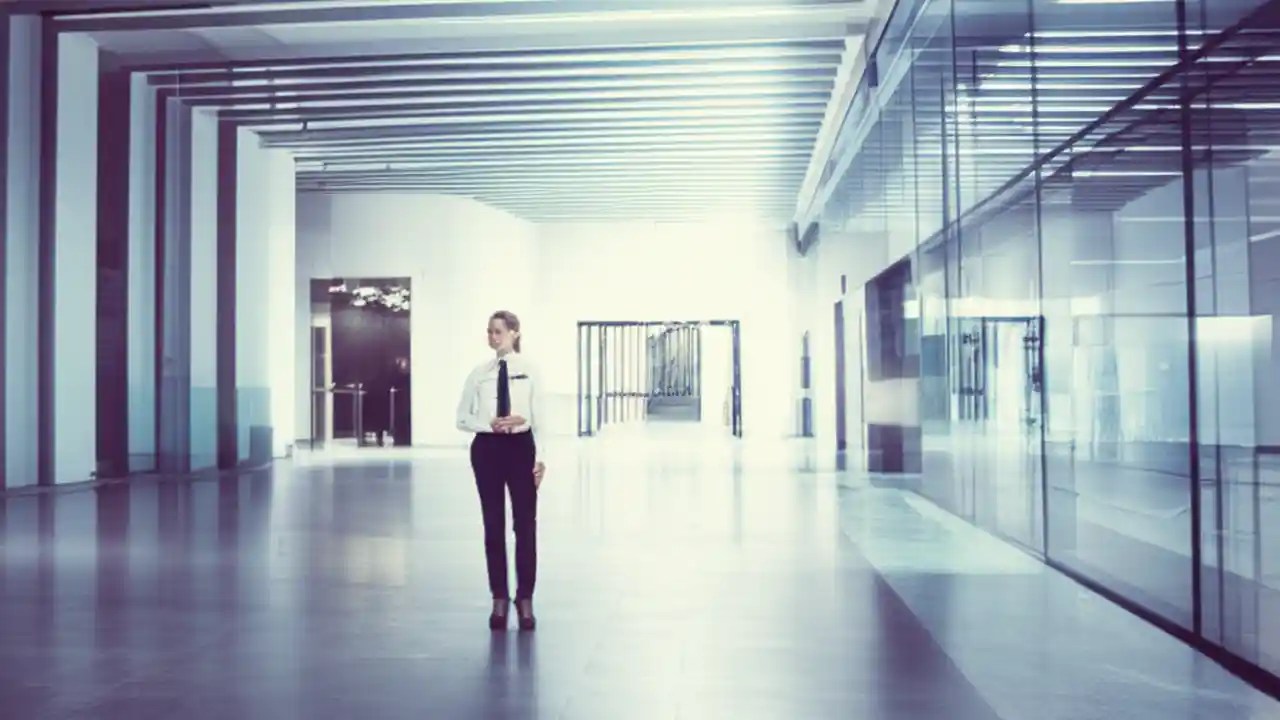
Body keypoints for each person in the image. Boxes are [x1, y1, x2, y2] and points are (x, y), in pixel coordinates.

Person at [456, 310, 547, 631]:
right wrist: (489, 424)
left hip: (521, 449)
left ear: (514, 333)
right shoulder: (479, 373)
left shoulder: (530, 370)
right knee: (493, 525)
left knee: (525, 525)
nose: (493, 337)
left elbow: (541, 417)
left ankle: (525, 598)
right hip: (487, 450)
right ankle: (499, 597)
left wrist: (540, 456)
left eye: (499, 331)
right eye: (490, 332)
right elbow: (462, 418)